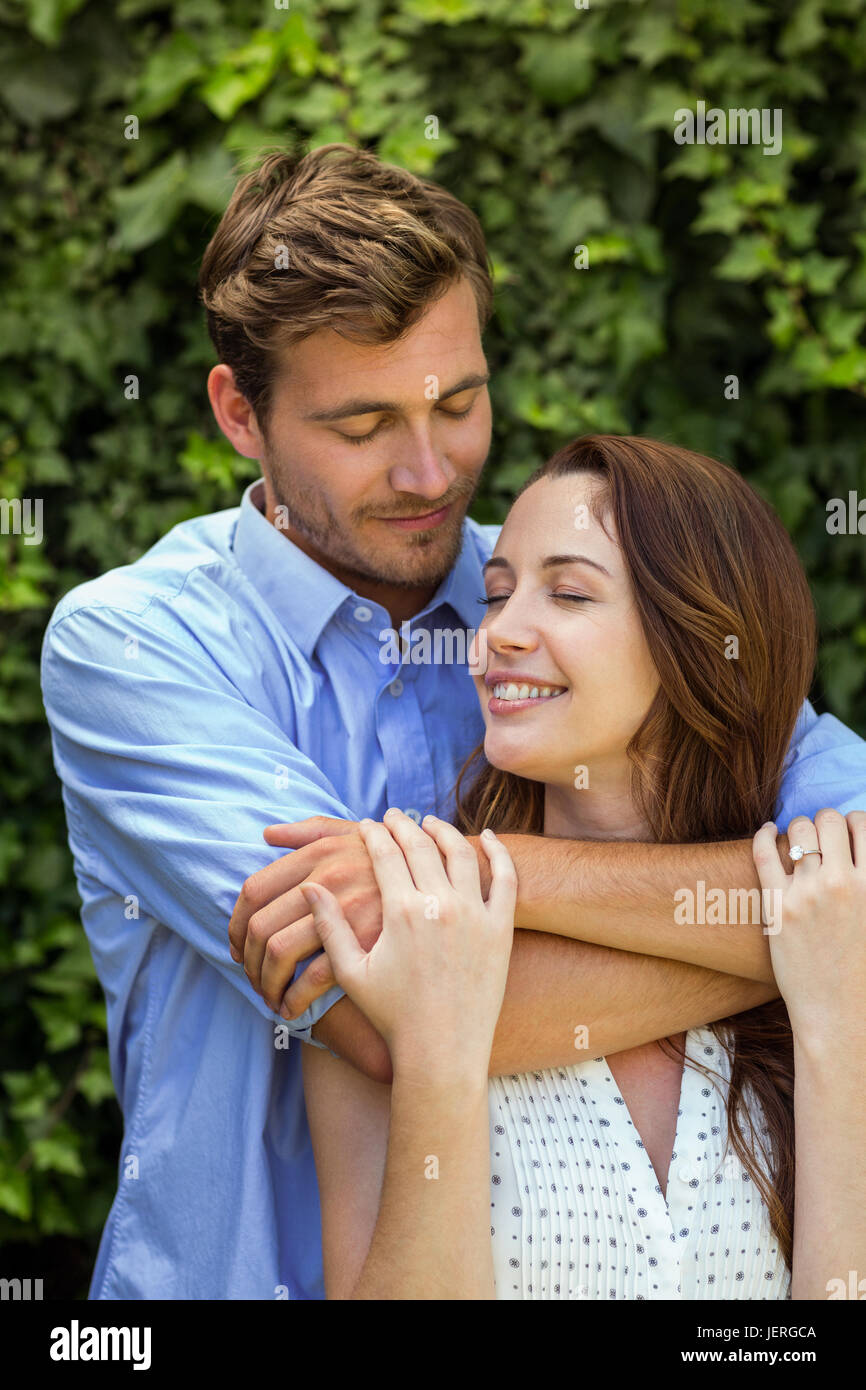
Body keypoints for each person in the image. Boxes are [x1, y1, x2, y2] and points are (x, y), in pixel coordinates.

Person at [41, 144, 866, 1300]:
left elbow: (858, 860)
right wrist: (806, 955)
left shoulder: (556, 609)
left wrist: (500, 873)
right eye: (362, 423)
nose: (430, 470)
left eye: (459, 402)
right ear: (240, 413)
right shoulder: (133, 644)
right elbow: (393, 1022)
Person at [300, 435, 866, 1300]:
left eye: (566, 593)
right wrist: (441, 1060)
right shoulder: (403, 937)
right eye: (496, 596)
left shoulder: (833, 924)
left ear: (699, 640)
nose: (497, 636)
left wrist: (835, 1035)